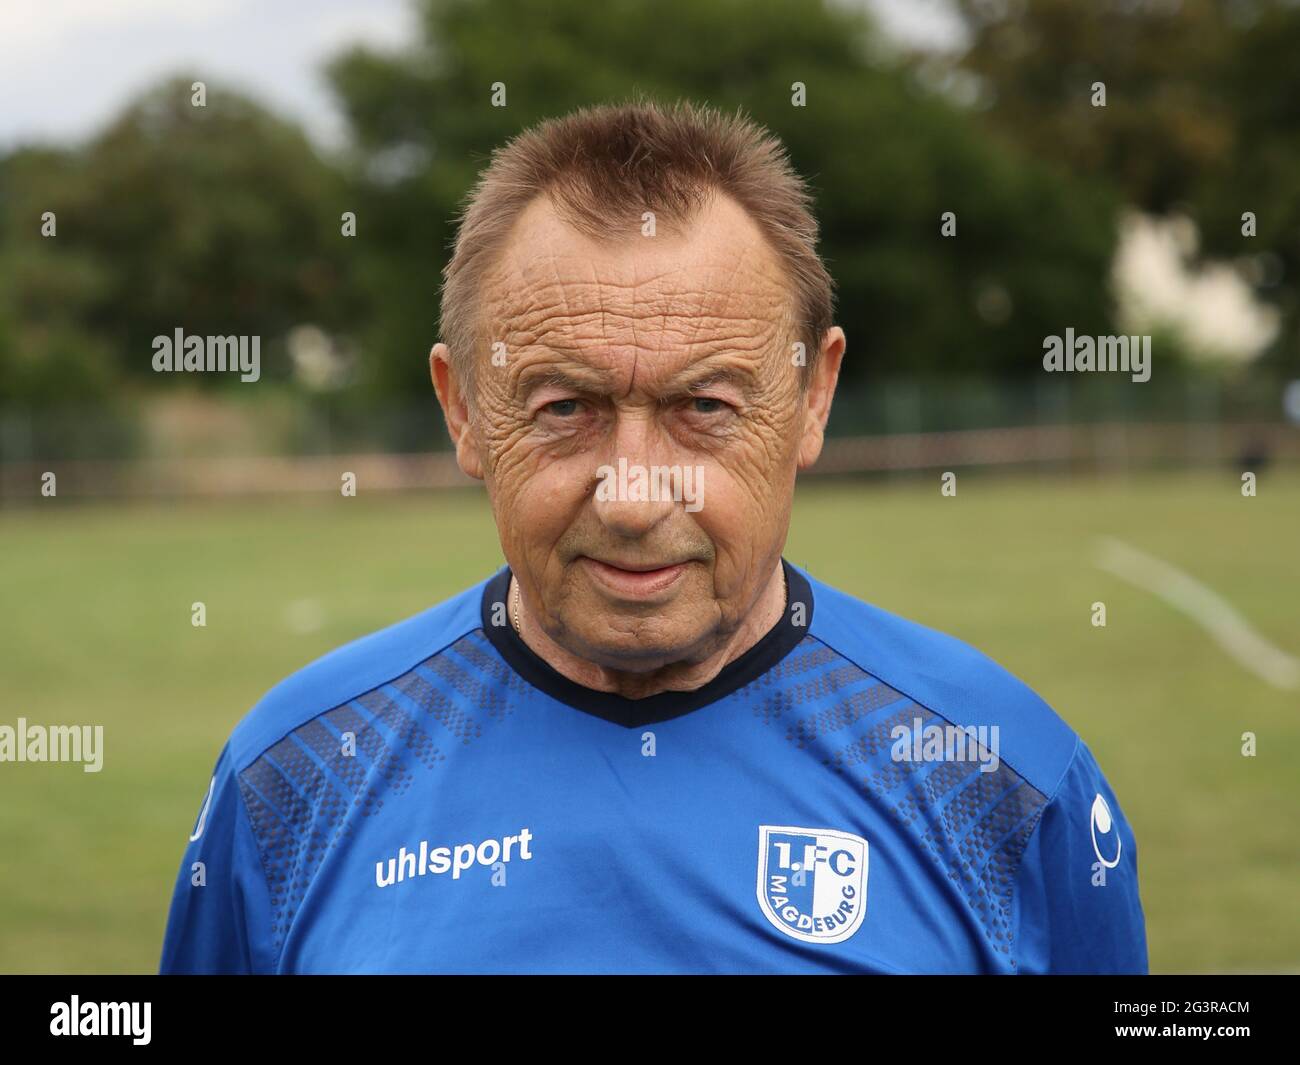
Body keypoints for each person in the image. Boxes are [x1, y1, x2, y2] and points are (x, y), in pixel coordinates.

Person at [159, 100, 1147, 974]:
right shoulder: (292, 781)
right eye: (562, 407)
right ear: (461, 410)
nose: (633, 495)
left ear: (812, 397)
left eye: (705, 405)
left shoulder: (1003, 779)